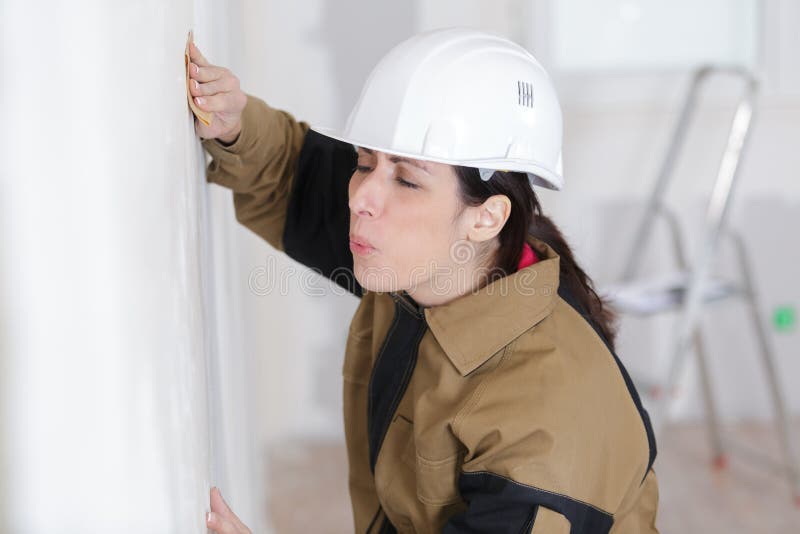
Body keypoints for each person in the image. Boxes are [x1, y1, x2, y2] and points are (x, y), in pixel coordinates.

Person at [191, 28, 659, 534]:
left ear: (486, 217)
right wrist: (235, 127)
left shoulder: (544, 422)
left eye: (407, 179)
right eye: (365, 162)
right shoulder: (434, 263)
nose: (360, 197)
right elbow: (296, 174)